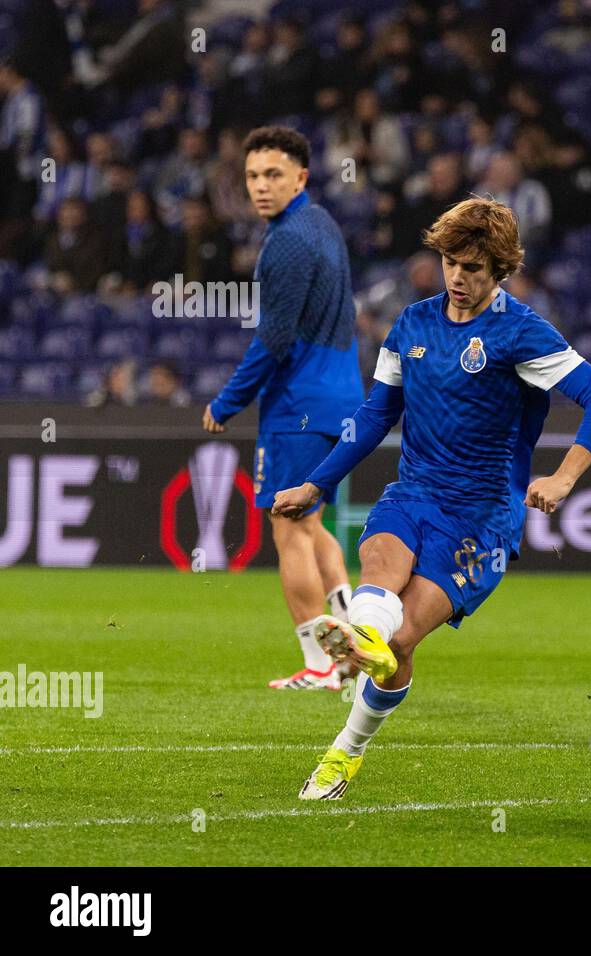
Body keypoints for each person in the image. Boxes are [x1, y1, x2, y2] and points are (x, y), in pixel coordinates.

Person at [272, 197, 591, 800]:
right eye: (450, 263)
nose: (459, 278)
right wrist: (315, 483)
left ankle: (346, 747)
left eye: (474, 269)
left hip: (483, 520)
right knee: (379, 568)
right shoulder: (412, 325)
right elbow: (375, 414)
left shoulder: (521, 333)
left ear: (501, 271)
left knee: (403, 641)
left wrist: (563, 478)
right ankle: (363, 642)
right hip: (413, 493)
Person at [202, 126, 364, 691]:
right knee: (312, 521)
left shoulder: (287, 242)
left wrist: (228, 401)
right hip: (341, 398)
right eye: (252, 176)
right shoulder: (322, 225)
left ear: (301, 177)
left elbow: (273, 339)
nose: (260, 186)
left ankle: (321, 663)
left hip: (300, 403)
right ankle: (351, 638)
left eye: (273, 174)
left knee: (287, 525)